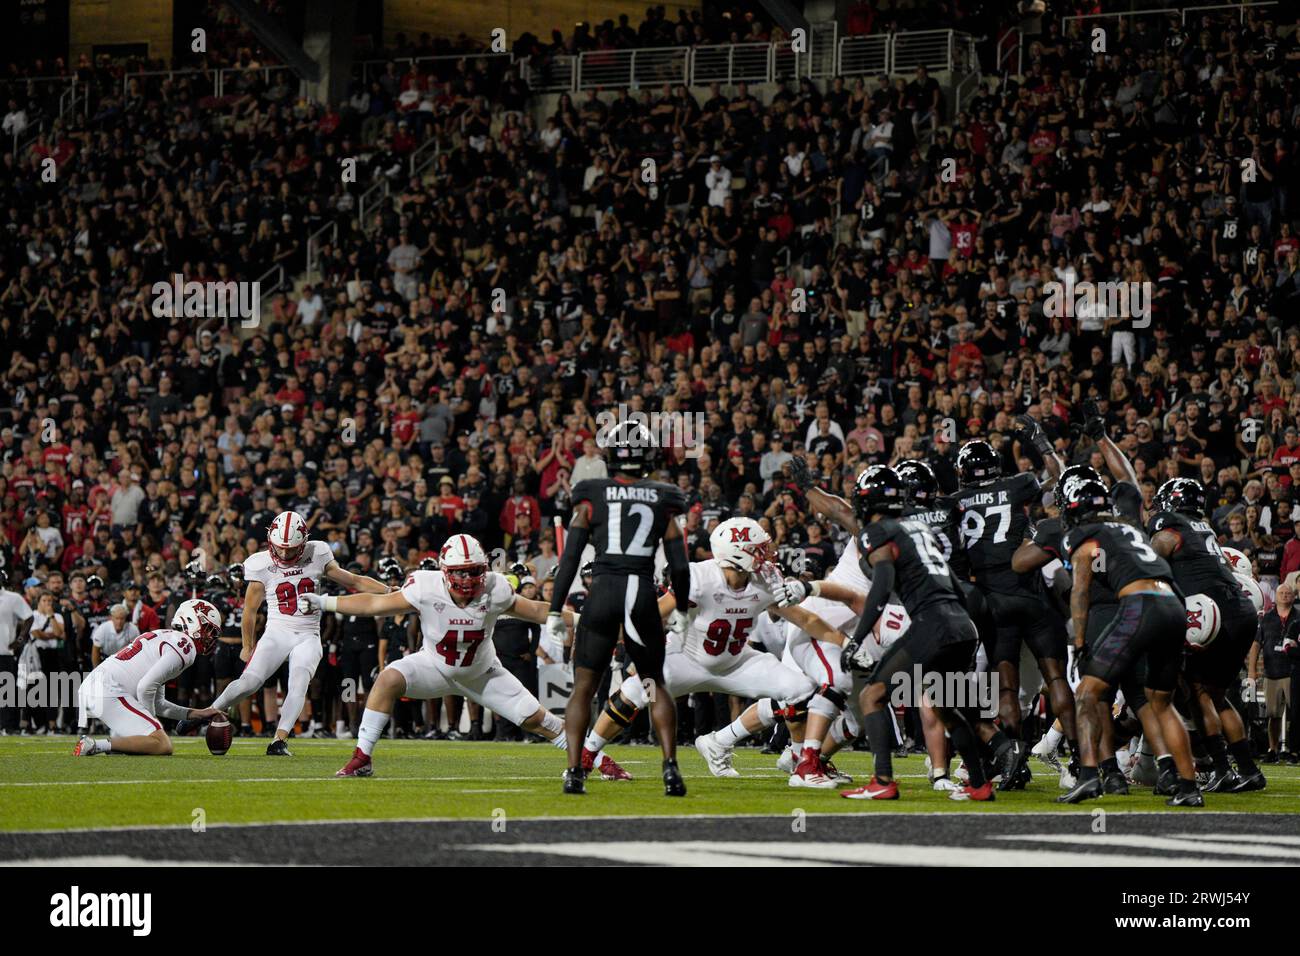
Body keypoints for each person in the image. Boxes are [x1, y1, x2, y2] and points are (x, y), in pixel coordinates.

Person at [297, 535, 606, 778]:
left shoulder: (496, 589)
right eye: (461, 572)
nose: (469, 579)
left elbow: (539, 610)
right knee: (388, 678)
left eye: (474, 571)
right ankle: (362, 757)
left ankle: (601, 761)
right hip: (434, 665)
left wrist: (585, 620)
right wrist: (325, 603)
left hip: (483, 673)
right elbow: (373, 606)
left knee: (542, 721)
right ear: (445, 571)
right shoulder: (425, 586)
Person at [544, 420, 691, 796]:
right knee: (653, 685)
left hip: (604, 591)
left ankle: (575, 772)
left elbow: (572, 556)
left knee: (583, 687)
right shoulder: (663, 497)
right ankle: (670, 769)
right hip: (641, 592)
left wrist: (554, 609)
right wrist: (682, 609)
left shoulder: (593, 493)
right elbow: (679, 563)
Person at [836, 465, 995, 801]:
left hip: (934, 623)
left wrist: (857, 637)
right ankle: (979, 785)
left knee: (872, 694)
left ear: (869, 501)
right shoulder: (920, 528)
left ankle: (882, 781)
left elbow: (879, 589)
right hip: (963, 625)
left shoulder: (878, 532)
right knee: (947, 709)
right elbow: (957, 586)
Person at [178, 511, 390, 756]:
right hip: (277, 631)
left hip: (308, 633)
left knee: (298, 683)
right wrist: (248, 646)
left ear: (304, 542)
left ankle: (279, 740)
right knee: (250, 682)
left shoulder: (317, 552)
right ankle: (205, 713)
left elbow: (354, 580)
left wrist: (388, 590)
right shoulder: (261, 563)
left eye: (292, 549)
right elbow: (250, 610)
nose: (286, 554)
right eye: (281, 548)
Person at [1059, 477, 1204, 806]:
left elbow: (1080, 590)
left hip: (1140, 605)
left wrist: (1080, 643)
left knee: (1086, 693)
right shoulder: (1129, 525)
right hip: (1174, 605)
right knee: (1161, 703)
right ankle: (1188, 788)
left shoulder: (1085, 536)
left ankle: (1088, 777)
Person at [952, 419, 1070, 790]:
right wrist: (1043, 444)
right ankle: (1087, 763)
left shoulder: (954, 504)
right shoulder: (1018, 485)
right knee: (1055, 680)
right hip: (1033, 597)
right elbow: (1061, 482)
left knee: (1004, 688)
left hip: (991, 602)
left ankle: (1011, 760)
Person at [1148, 477, 1265, 792]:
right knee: (1215, 693)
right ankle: (1249, 770)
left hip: (1215, 612)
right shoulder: (1204, 528)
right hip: (1240, 610)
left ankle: (1222, 768)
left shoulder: (1170, 527)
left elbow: (1154, 558)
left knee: (1197, 692)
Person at [74, 600, 223, 757]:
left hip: (98, 687)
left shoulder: (166, 636)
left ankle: (104, 746)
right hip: (109, 689)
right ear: (191, 621)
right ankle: (94, 744)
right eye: (207, 629)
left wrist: (195, 714)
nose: (210, 637)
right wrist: (154, 727)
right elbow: (145, 688)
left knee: (140, 746)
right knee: (161, 744)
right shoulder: (185, 645)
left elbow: (158, 704)